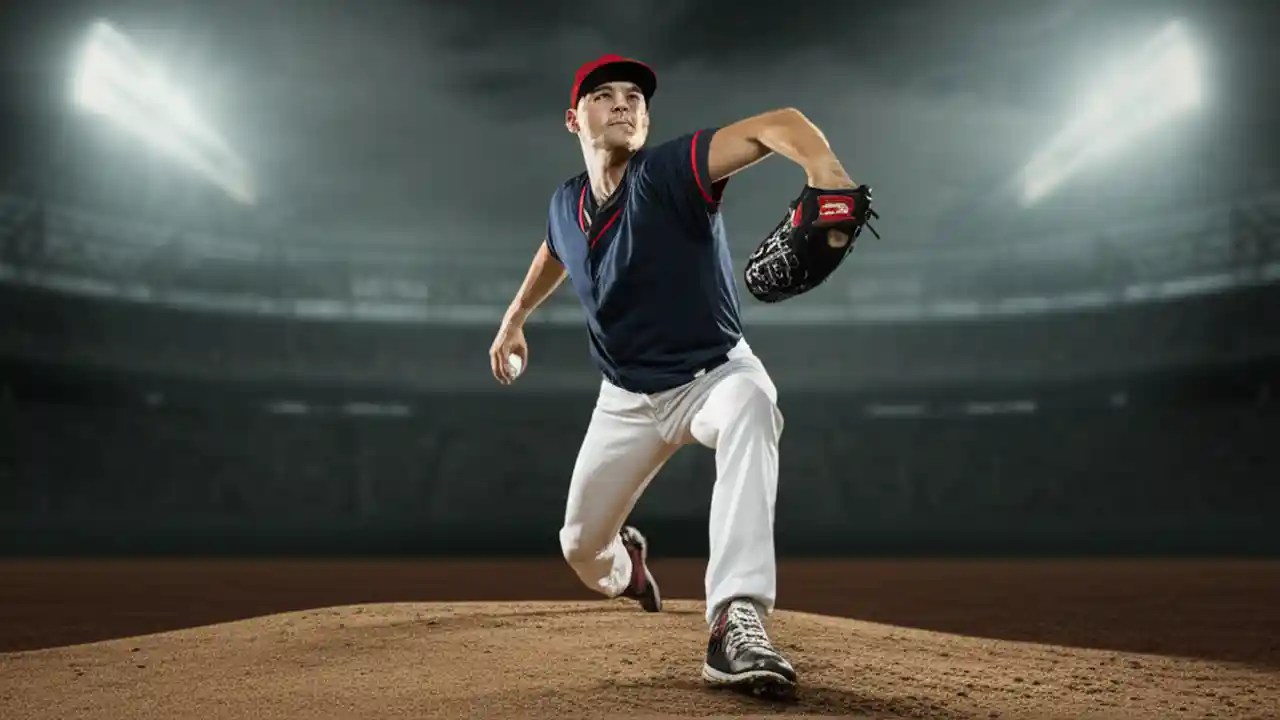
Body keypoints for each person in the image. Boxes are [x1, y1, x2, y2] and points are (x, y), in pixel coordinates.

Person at [488, 54, 863, 698]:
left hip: (711, 377)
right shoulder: (565, 202)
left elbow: (778, 124)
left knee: (753, 402)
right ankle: (626, 569)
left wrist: (824, 171)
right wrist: (515, 317)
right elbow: (554, 249)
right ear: (574, 119)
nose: (623, 104)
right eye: (603, 96)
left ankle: (734, 617)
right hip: (626, 399)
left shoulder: (667, 173)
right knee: (580, 548)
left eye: (634, 95)